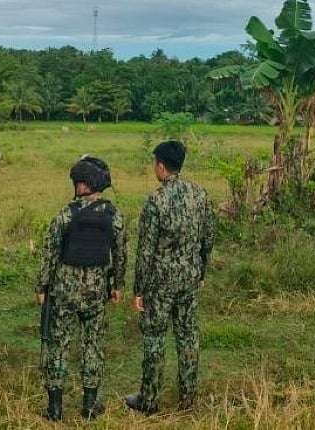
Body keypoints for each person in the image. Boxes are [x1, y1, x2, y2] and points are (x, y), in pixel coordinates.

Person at [125, 140, 216, 415]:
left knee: (154, 338)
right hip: (189, 277)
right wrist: (201, 269)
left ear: (162, 167)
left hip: (160, 282)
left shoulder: (156, 200)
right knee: (188, 336)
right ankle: (188, 399)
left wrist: (138, 289)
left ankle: (149, 400)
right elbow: (208, 238)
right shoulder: (200, 195)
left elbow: (145, 249)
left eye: (155, 164)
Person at [37, 156, 127, 421]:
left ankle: (54, 409)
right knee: (93, 345)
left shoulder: (66, 214)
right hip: (96, 291)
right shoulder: (114, 215)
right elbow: (120, 254)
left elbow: (50, 253)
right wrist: (117, 285)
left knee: (58, 345)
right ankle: (88, 405)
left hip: (64, 290)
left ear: (83, 185)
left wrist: (41, 286)